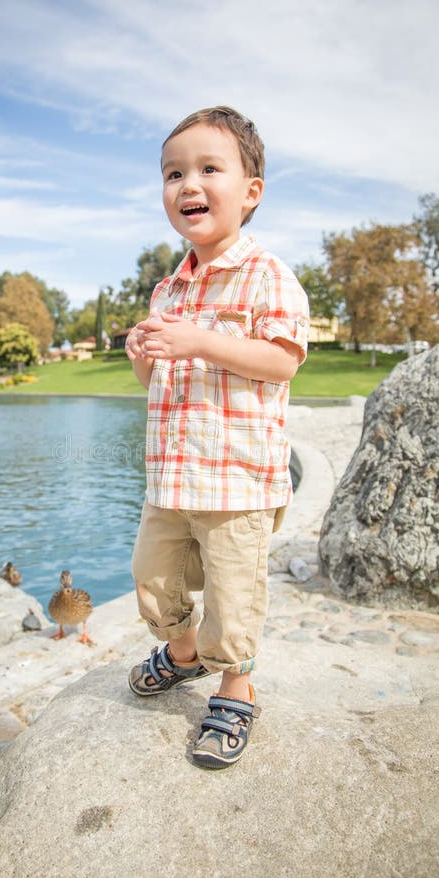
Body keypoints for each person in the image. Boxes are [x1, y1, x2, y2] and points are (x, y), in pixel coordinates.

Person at [125, 105, 309, 769]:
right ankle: (182, 653)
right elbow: (159, 381)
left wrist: (201, 340)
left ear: (250, 191)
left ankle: (235, 688)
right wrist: (143, 356)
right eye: (174, 173)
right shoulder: (167, 289)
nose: (188, 184)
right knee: (152, 577)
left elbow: (282, 362)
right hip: (172, 476)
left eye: (208, 168)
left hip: (237, 480)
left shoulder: (268, 276)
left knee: (233, 597)